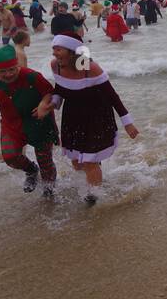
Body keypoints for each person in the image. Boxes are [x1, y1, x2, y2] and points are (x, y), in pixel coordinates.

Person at [35, 35, 138, 206]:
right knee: (76, 161)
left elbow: (113, 97)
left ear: (72, 51)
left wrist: (128, 123)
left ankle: (94, 196)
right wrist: (50, 105)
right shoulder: (56, 66)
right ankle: (94, 175)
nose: (54, 53)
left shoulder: (90, 68)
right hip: (73, 115)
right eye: (54, 49)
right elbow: (60, 90)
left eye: (58, 49)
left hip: (96, 116)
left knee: (88, 161)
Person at [0, 44, 60, 196]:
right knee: (10, 157)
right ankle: (31, 171)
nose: (8, 74)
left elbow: (50, 92)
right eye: (3, 71)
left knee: (45, 162)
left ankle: (49, 192)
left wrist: (43, 105)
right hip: (11, 124)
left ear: (17, 65)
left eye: (12, 69)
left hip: (39, 123)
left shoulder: (32, 76)